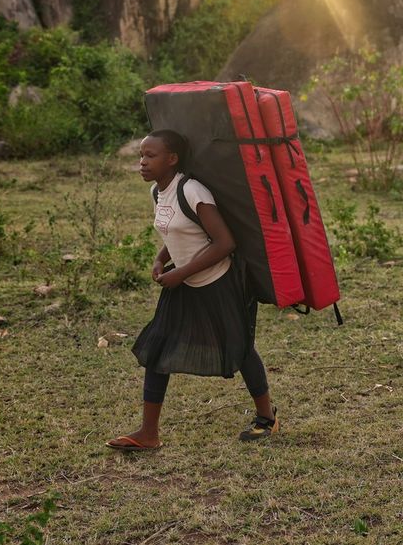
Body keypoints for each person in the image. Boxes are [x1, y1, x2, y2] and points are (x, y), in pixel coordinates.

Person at [107, 130, 277, 449]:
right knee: (158, 349)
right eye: (141, 155)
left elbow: (225, 243)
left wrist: (180, 273)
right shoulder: (158, 193)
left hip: (218, 281)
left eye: (150, 156)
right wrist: (161, 260)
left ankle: (267, 417)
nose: (142, 162)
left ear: (172, 159)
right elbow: (176, 231)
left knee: (240, 347)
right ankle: (148, 434)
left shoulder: (192, 190)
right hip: (183, 281)